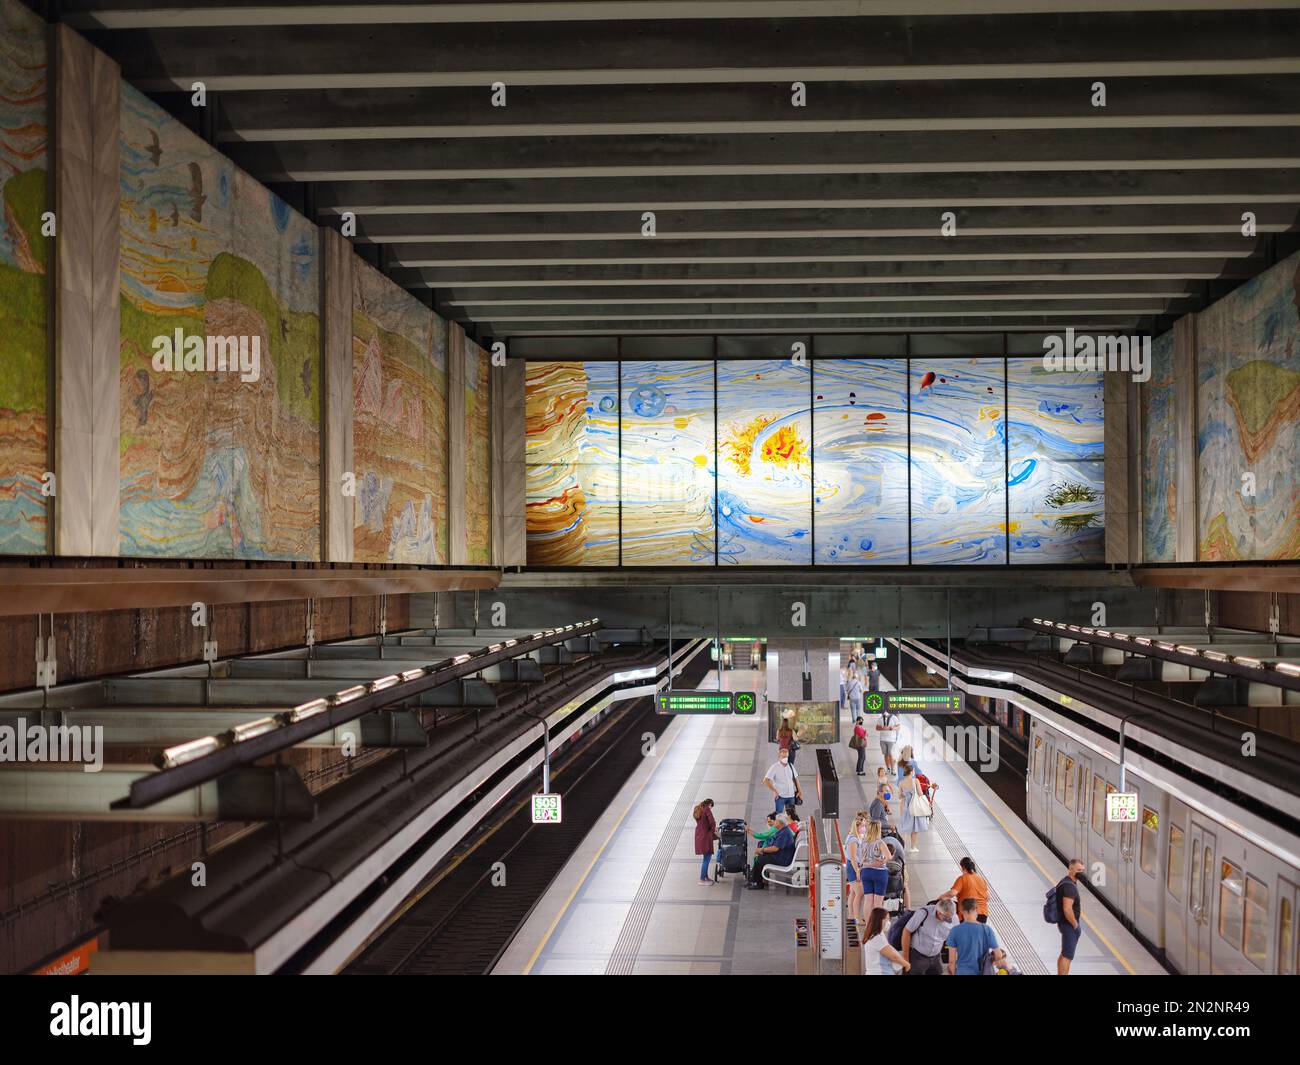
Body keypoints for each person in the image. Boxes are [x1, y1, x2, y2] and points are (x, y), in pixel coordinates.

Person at [946, 898, 1004, 975]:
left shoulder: (955, 931)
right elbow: (998, 954)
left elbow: (951, 961)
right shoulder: (986, 929)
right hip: (982, 972)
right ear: (976, 909)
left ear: (961, 910)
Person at [901, 897, 955, 975]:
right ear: (939, 913)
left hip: (936, 958)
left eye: (951, 917)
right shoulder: (923, 913)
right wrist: (905, 959)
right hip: (917, 957)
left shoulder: (952, 917)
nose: (949, 920)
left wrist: (952, 962)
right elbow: (906, 931)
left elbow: (954, 939)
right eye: (946, 918)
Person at [747, 813, 797, 890]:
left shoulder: (784, 833)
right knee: (760, 857)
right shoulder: (783, 830)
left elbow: (775, 848)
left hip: (782, 859)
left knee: (760, 860)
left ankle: (758, 883)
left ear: (780, 823)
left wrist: (762, 850)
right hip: (780, 855)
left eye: (776, 821)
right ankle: (754, 879)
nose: (775, 822)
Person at [1056, 857, 1086, 975]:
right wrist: (1075, 925)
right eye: (1078, 870)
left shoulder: (1067, 882)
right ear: (1071, 869)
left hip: (1065, 923)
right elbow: (1067, 909)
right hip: (1068, 924)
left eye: (1082, 870)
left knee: (1064, 953)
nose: (1081, 873)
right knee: (1067, 956)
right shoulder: (1069, 887)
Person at [940, 857, 990, 923]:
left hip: (968, 913)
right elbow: (988, 897)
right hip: (983, 914)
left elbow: (953, 893)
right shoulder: (981, 879)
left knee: (966, 932)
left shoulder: (962, 878)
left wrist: (941, 897)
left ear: (963, 867)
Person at [862, 905, 909, 975]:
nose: (889, 922)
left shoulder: (878, 935)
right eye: (887, 919)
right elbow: (894, 957)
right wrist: (907, 964)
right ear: (880, 920)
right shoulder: (877, 938)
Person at [896, 762, 932, 854]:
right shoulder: (915, 781)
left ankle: (902, 847)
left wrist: (906, 795)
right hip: (914, 806)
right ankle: (913, 847)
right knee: (914, 828)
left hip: (904, 807)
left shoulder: (901, 782)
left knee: (905, 827)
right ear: (912, 771)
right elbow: (920, 793)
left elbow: (899, 796)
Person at [858, 821, 890, 913]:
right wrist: (882, 862)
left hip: (866, 872)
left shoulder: (864, 842)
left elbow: (861, 858)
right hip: (879, 873)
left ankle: (868, 924)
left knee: (868, 900)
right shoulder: (880, 842)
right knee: (878, 902)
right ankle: (877, 926)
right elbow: (888, 857)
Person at [762, 747, 801, 817]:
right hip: (780, 796)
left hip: (791, 796)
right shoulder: (775, 767)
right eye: (783, 756)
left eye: (786, 756)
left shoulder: (791, 766)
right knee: (779, 816)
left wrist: (800, 790)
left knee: (791, 816)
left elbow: (795, 778)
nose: (785, 758)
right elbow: (765, 780)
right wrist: (774, 790)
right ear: (779, 757)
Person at [845, 814, 867, 923]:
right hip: (853, 867)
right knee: (860, 893)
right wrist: (858, 871)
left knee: (853, 893)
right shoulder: (853, 840)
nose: (865, 828)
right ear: (857, 826)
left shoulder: (857, 837)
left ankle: (851, 916)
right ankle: (857, 918)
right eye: (863, 825)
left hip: (855, 866)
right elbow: (853, 857)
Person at [693, 798, 718, 886]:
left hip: (699, 836)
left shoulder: (698, 809)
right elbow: (712, 821)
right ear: (710, 804)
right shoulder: (707, 809)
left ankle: (706, 877)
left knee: (705, 857)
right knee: (707, 859)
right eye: (712, 807)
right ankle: (702, 879)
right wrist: (714, 829)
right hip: (705, 837)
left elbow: (703, 822)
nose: (711, 809)